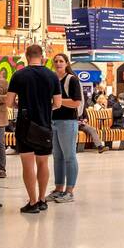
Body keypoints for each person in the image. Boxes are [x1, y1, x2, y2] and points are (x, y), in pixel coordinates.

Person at [7, 46, 63, 213]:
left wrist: (19, 104)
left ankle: (32, 202)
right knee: (43, 162)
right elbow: (58, 104)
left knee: (28, 164)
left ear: (27, 56)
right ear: (42, 56)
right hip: (45, 124)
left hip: (25, 124)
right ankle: (42, 199)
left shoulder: (19, 75)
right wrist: (45, 108)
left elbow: (9, 102)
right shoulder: (52, 76)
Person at [47, 53, 86, 202]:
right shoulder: (52, 80)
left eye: (61, 61)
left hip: (68, 121)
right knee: (58, 157)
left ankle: (69, 191)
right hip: (54, 121)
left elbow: (76, 103)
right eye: (55, 61)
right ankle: (58, 189)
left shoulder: (72, 80)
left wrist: (58, 100)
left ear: (67, 63)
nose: (58, 63)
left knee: (69, 156)